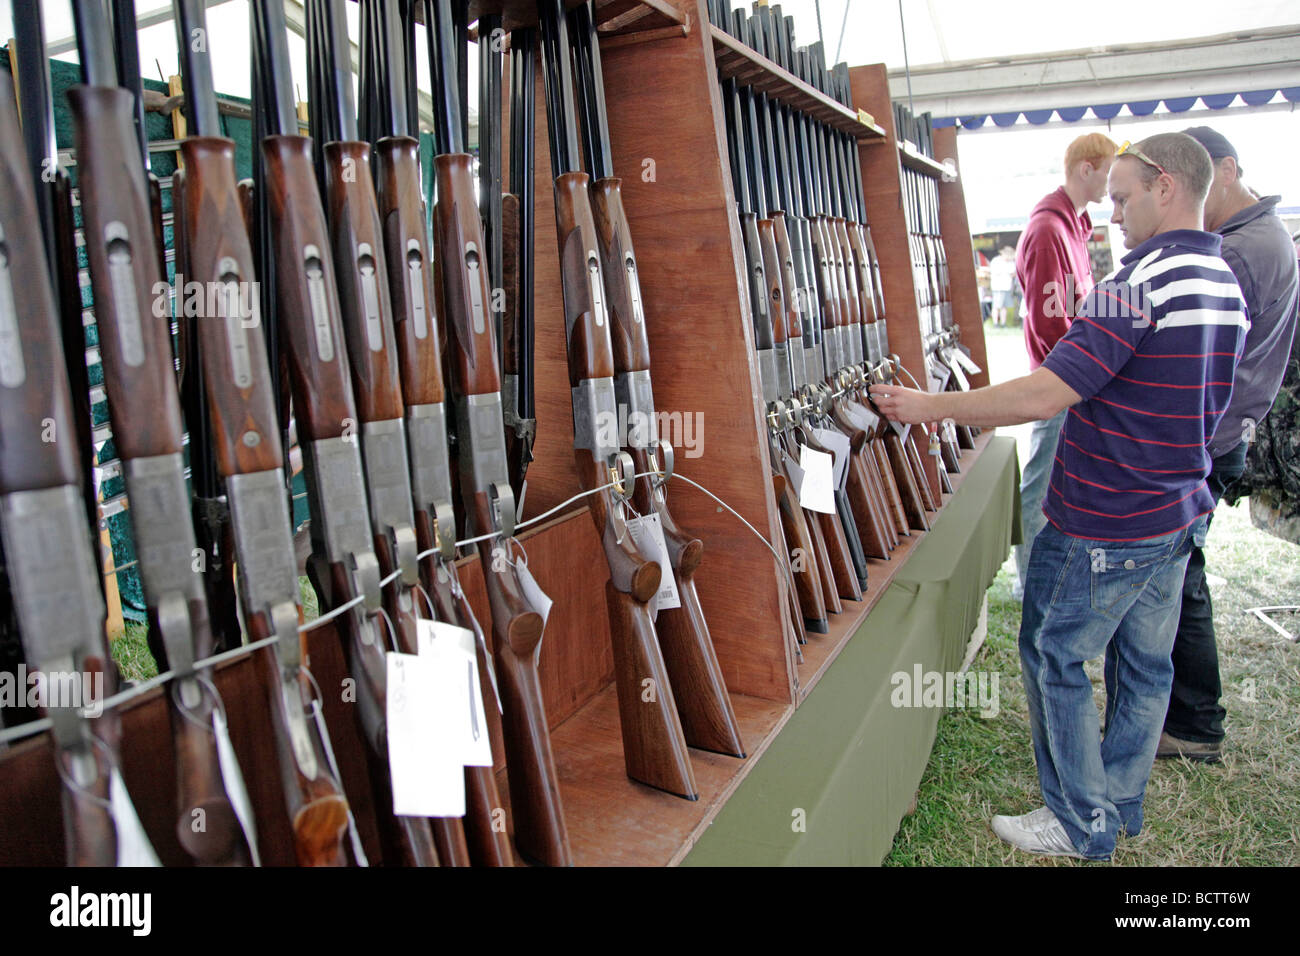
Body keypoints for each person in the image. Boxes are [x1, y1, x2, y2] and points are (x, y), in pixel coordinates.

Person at [869, 133, 1247, 861]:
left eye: (1125, 197)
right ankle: (1119, 805)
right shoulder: (1220, 279)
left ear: (1165, 187)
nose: (1115, 215)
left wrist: (930, 408)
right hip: (1177, 511)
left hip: (1106, 519)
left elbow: (1047, 392)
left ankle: (1078, 822)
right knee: (1145, 668)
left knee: (1054, 655)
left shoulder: (1137, 283)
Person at [1157, 127, 1300, 763]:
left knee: (1181, 578)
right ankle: (1189, 716)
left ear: (1228, 171)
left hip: (1205, 434)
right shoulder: (1255, 240)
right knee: (1182, 575)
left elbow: (1190, 348)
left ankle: (1192, 723)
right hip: (1221, 430)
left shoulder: (1240, 252)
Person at [1011, 132, 1118, 601]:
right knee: (1042, 481)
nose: (1114, 186)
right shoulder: (1050, 230)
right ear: (1086, 169)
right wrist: (1071, 374)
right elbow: (1047, 317)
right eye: (1109, 172)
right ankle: (1029, 579)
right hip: (1060, 379)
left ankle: (1046, 574)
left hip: (1072, 376)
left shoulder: (1076, 226)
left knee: (1058, 477)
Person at [989, 246, 1017, 326]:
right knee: (996, 306)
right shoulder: (996, 261)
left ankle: (1003, 323)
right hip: (998, 287)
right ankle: (995, 323)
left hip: (1007, 287)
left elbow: (1013, 273)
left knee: (1004, 306)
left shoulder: (1011, 263)